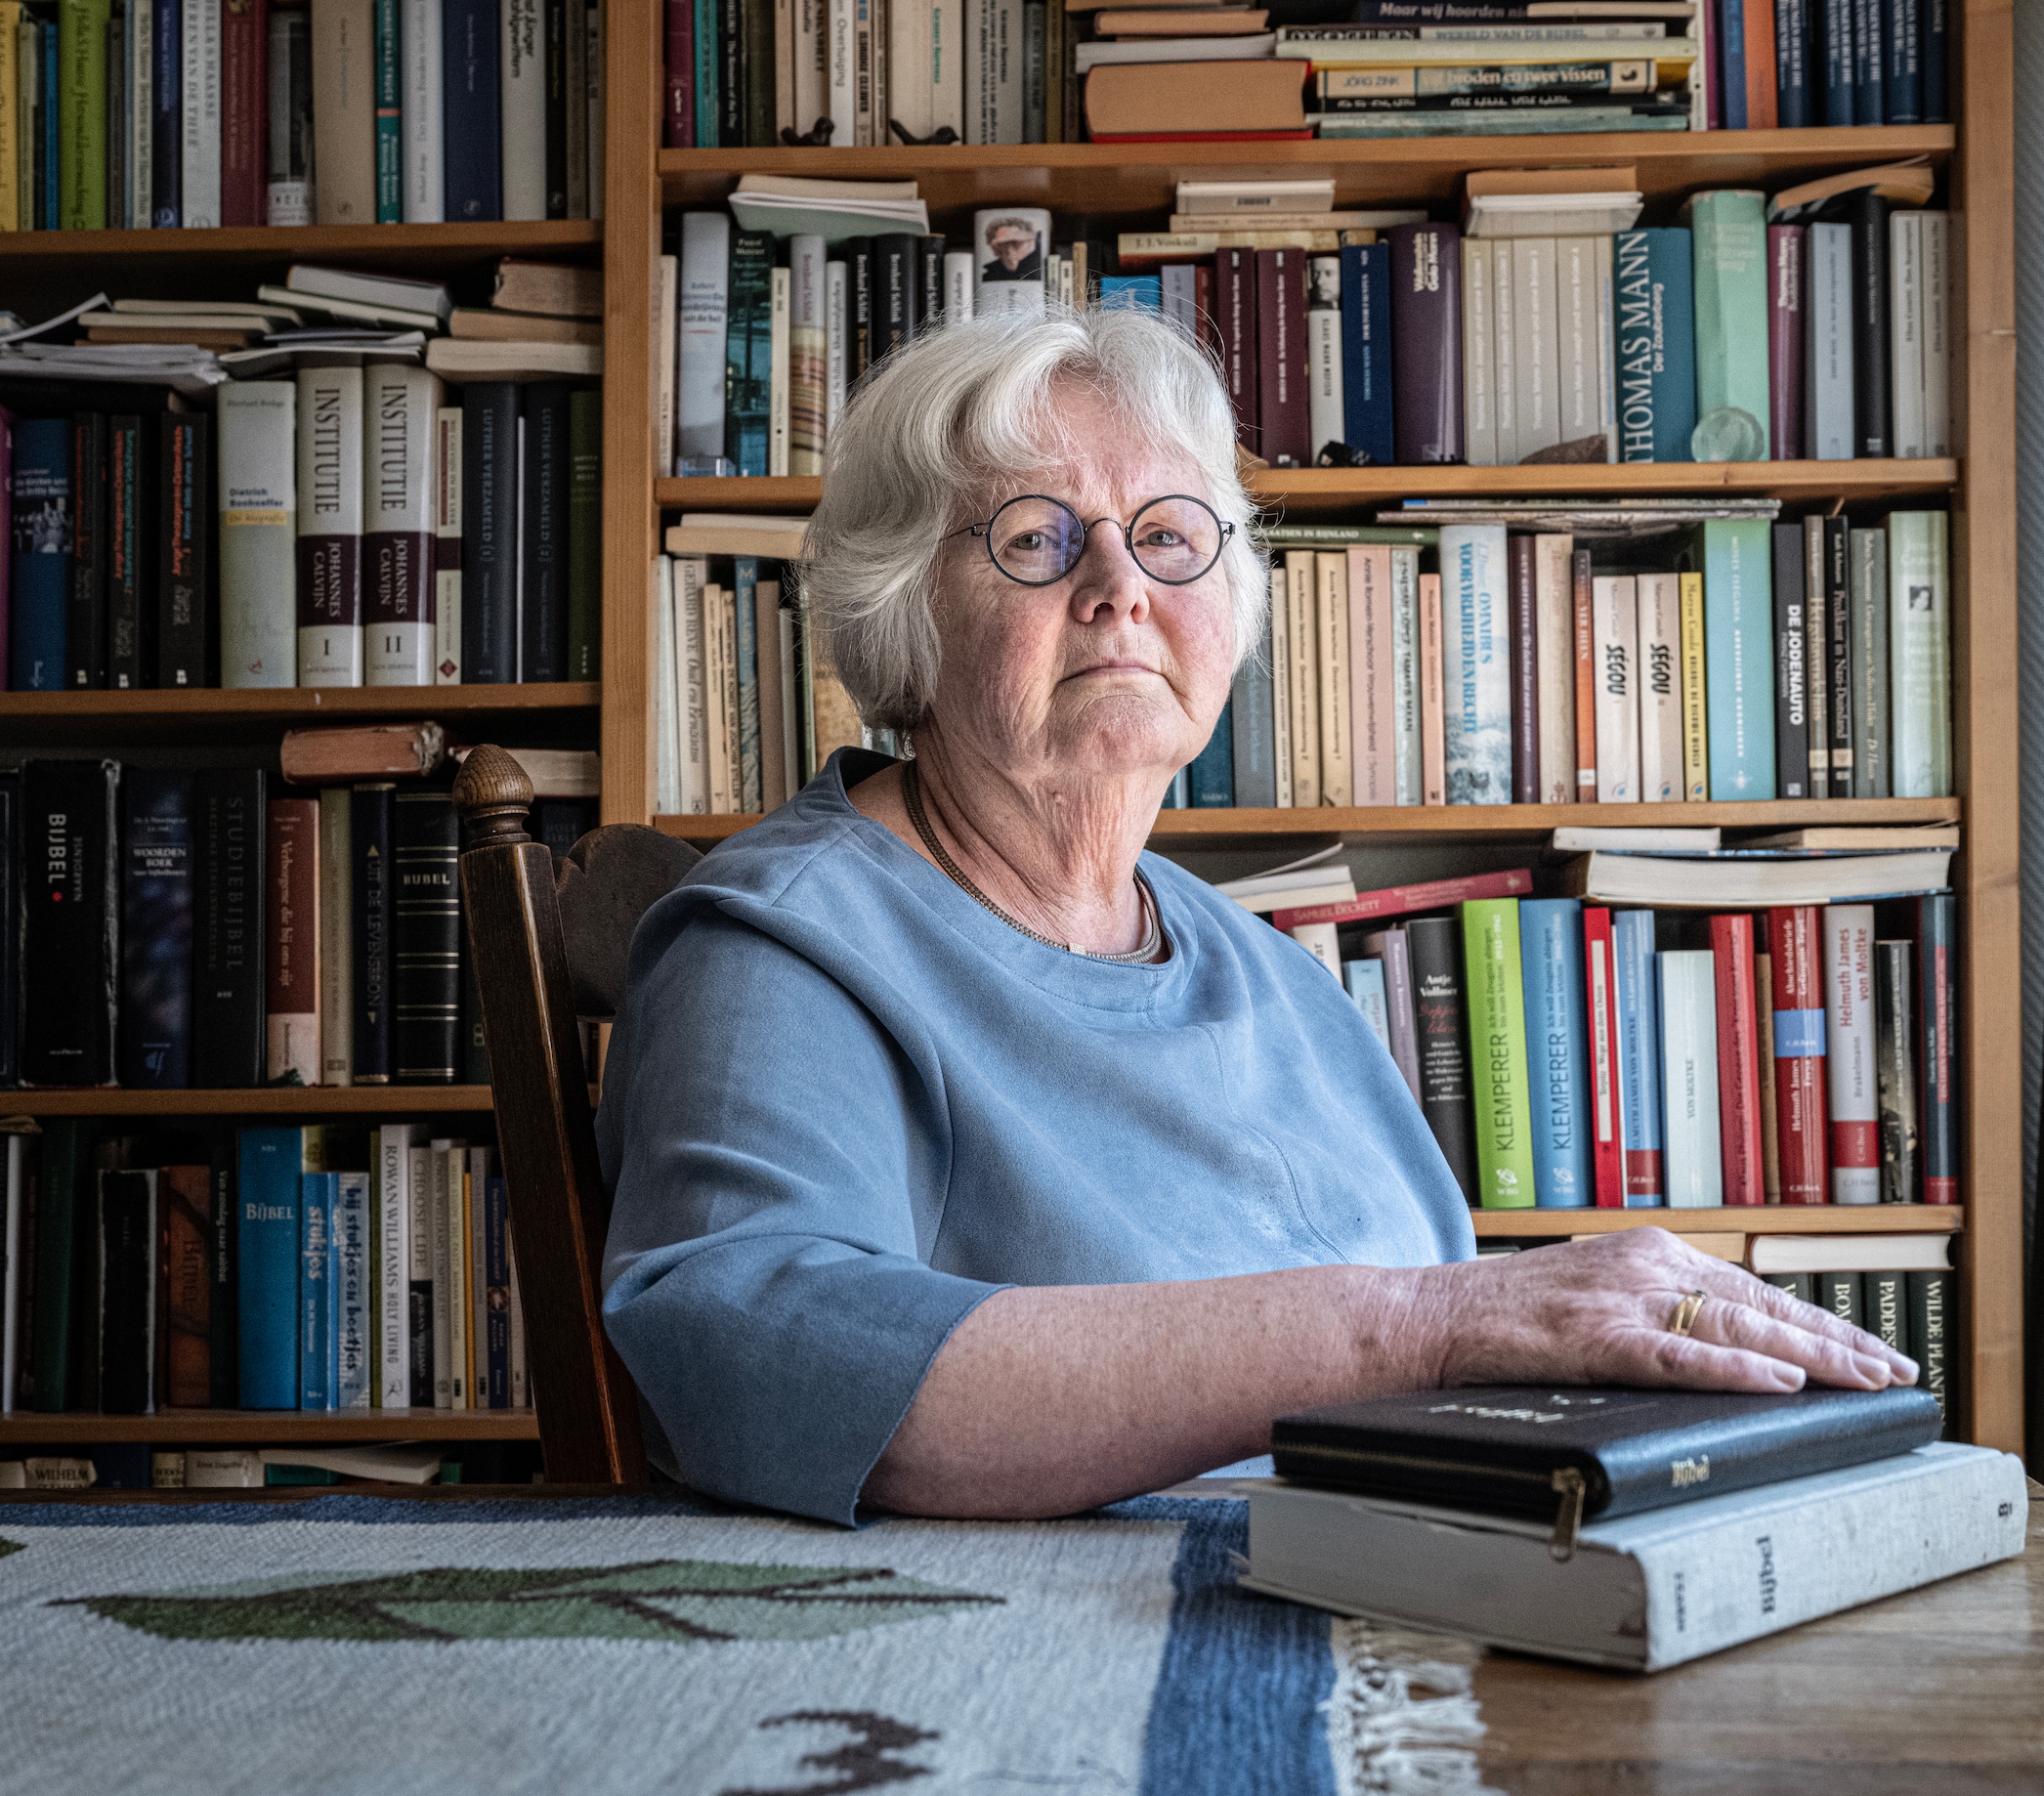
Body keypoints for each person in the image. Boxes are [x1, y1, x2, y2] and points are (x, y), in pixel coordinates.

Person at [596, 305, 1916, 1527]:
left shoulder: (1263, 971)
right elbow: (751, 1349)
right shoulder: (783, 942)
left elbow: (1452, 1340)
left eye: (1168, 537)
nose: (1118, 585)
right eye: (1036, 538)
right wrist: (1407, 1326)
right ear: (907, 617)